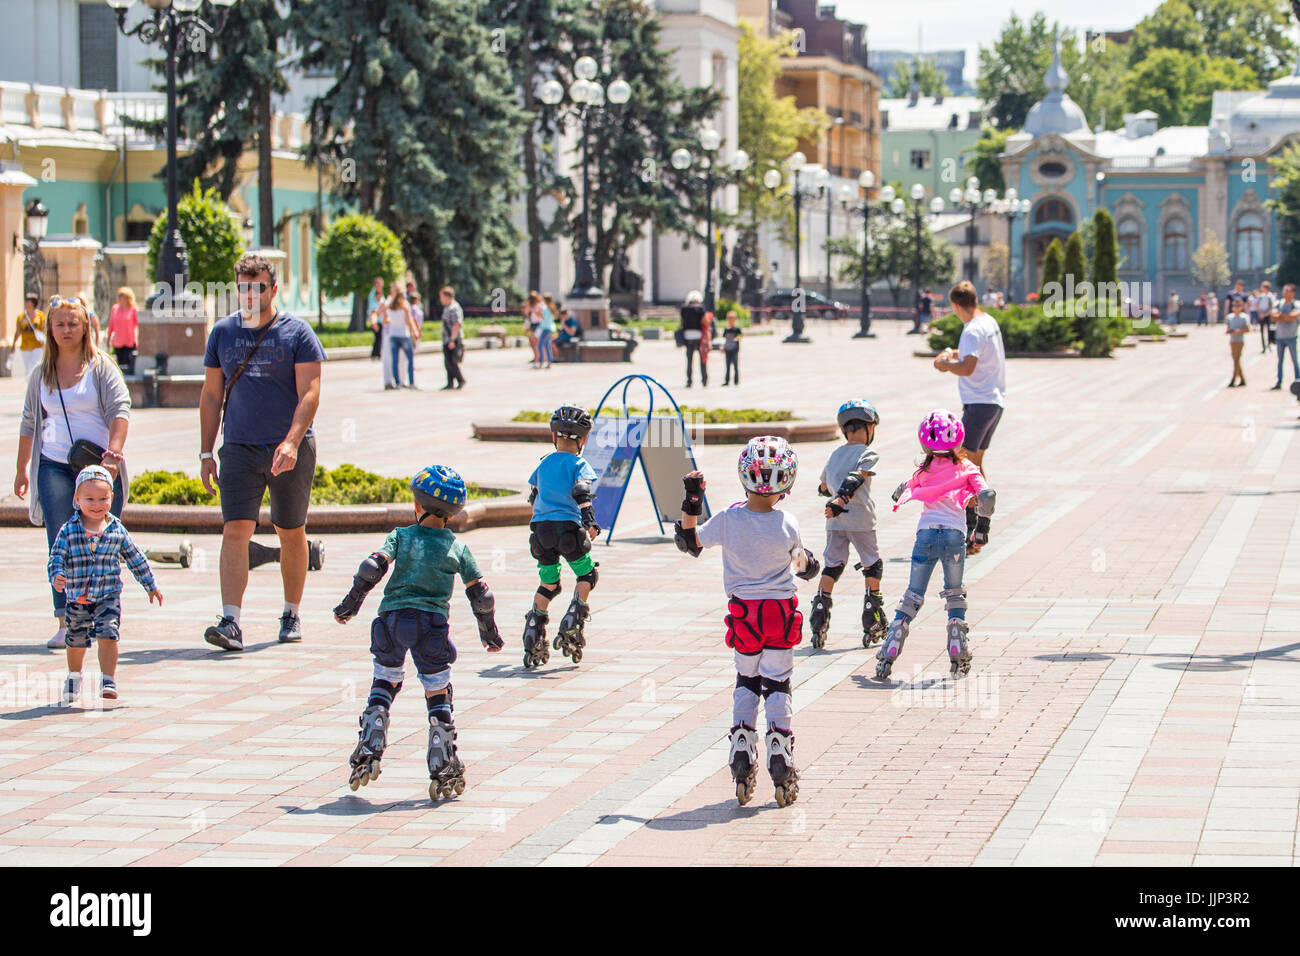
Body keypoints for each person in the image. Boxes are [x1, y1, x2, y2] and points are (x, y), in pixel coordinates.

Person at [333, 465, 503, 801]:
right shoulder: (457, 547)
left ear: (417, 506)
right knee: (437, 690)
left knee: (386, 679)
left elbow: (373, 566)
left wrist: (351, 604)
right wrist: (489, 633)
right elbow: (480, 593)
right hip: (431, 627)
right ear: (453, 515)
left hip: (392, 622)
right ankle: (441, 748)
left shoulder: (402, 536)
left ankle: (375, 726)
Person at [674, 436, 820, 807]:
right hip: (780, 616)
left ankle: (742, 748)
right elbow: (802, 565)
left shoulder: (726, 519)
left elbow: (690, 542)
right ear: (786, 482)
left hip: (744, 617)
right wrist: (811, 565)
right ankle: (780, 755)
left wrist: (693, 498)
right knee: (778, 685)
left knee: (747, 681)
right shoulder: (787, 521)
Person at [198, 253, 326, 651]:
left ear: (273, 289)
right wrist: (206, 452)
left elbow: (311, 391)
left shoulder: (297, 333)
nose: (250, 295)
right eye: (243, 288)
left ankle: (291, 613)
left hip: (289, 448)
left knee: (291, 531)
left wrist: (291, 441)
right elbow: (211, 394)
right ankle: (231, 621)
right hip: (238, 447)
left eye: (258, 287)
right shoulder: (222, 333)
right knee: (235, 529)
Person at [15, 296, 131, 650]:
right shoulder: (42, 372)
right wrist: (22, 469)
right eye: (60, 324)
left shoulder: (101, 366)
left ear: (85, 327)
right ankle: (66, 620)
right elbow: (29, 421)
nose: (66, 330)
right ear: (50, 328)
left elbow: (120, 410)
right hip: (52, 464)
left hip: (96, 468)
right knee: (60, 543)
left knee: (98, 542)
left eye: (73, 324)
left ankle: (98, 614)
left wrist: (113, 456)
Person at [877, 410, 996, 680]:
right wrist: (982, 529)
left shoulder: (923, 470)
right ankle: (958, 647)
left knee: (913, 594)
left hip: (926, 535)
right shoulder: (967, 468)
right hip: (954, 536)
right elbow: (986, 495)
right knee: (954, 593)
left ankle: (891, 645)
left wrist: (912, 487)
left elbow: (900, 491)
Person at [48, 464, 162, 704]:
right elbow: (56, 556)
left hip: (108, 594)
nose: (96, 504)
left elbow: (135, 557)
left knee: (109, 634)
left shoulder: (116, 530)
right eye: (89, 499)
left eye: (103, 498)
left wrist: (150, 584)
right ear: (76, 499)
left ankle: (108, 679)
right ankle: (74, 676)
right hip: (78, 596)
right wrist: (57, 575)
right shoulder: (68, 530)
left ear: (112, 498)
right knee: (75, 638)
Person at [521, 405, 602, 668]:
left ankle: (534, 624)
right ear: (584, 440)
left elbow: (534, 497)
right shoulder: (579, 463)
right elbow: (581, 490)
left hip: (541, 532)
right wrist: (589, 520)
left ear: (554, 437)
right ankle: (573, 618)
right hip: (568, 530)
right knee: (587, 575)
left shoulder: (544, 464)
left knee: (550, 584)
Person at [931, 280, 1005, 553]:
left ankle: (973, 530)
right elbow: (973, 355)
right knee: (974, 464)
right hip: (993, 402)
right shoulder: (987, 321)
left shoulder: (972, 329)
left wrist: (944, 364)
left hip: (978, 403)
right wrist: (953, 353)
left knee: (960, 464)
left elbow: (968, 367)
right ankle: (980, 530)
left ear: (954, 306)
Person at [808, 400, 886, 651]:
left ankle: (819, 614)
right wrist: (842, 497)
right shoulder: (868, 452)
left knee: (832, 566)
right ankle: (872, 616)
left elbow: (822, 487)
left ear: (844, 430)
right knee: (872, 565)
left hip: (835, 522)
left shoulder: (835, 454)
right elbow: (857, 477)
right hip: (860, 519)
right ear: (870, 427)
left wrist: (832, 495)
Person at [384, 289, 420, 389]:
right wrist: (415, 331)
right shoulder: (405, 308)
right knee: (410, 359)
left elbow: (385, 321)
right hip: (404, 335)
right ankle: (412, 382)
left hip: (393, 335)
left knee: (395, 361)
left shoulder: (389, 308)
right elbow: (409, 321)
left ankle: (397, 383)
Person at [1271, 283, 1299, 391]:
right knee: (1279, 361)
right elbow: (1273, 317)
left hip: (1292, 336)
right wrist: (1287, 317)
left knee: (1295, 361)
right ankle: (1279, 382)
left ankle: (1298, 381)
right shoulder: (1278, 303)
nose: (1285, 292)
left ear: (1293, 293)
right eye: (1284, 290)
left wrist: (1281, 316)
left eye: (1287, 290)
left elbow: (1294, 316)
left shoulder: (1296, 304)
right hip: (1280, 337)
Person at [11, 293, 46, 380]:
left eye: (28, 301)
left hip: (37, 346)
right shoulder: (21, 317)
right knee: (27, 368)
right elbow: (18, 331)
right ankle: (29, 385)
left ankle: (35, 382)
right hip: (25, 346)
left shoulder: (40, 315)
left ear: (33, 303)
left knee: (35, 365)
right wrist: (14, 344)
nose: (26, 303)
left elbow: (44, 329)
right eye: (26, 301)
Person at [105, 287, 139, 375]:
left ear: (127, 297)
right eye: (118, 295)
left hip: (129, 342)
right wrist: (108, 339)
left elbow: (139, 325)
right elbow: (111, 325)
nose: (118, 297)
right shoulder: (115, 308)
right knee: (119, 366)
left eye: (121, 295)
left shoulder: (133, 309)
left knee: (128, 367)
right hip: (118, 342)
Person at [440, 286, 466, 390]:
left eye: (441, 297)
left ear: (447, 296)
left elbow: (456, 324)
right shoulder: (447, 307)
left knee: (453, 362)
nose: (440, 299)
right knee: (447, 362)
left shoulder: (454, 308)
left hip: (453, 339)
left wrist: (452, 339)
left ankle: (461, 380)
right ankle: (450, 383)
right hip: (447, 339)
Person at [679, 290, 706, 387]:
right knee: (702, 359)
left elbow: (681, 322)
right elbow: (704, 322)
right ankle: (704, 379)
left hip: (687, 336)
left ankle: (689, 381)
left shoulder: (684, 308)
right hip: (698, 336)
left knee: (689, 360)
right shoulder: (700, 308)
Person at [1225, 296, 1249, 388]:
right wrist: (1230, 331)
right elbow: (1227, 329)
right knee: (1236, 360)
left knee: (1236, 359)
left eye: (1238, 306)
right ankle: (1242, 379)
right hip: (1232, 340)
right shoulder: (1229, 317)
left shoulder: (1244, 317)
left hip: (1240, 340)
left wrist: (1238, 331)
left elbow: (1247, 329)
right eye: (1235, 306)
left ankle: (1233, 379)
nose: (1236, 308)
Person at [536, 294, 557, 369]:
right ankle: (549, 362)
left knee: (539, 345)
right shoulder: (550, 309)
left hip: (546, 329)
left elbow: (542, 317)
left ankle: (541, 362)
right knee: (547, 345)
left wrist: (538, 310)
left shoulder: (546, 310)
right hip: (549, 329)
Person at [367, 277, 385, 362]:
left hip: (380, 319)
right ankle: (375, 354)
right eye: (379, 284)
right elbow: (374, 310)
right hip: (376, 320)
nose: (381, 286)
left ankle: (377, 354)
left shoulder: (379, 293)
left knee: (379, 338)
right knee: (378, 338)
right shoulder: (374, 294)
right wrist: (373, 322)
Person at [721, 310, 742, 386]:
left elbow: (741, 335)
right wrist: (723, 347)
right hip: (727, 349)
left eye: (732, 319)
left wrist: (737, 338)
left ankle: (736, 381)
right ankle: (727, 380)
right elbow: (725, 339)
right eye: (729, 319)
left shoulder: (736, 329)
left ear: (735, 319)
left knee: (736, 366)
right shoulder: (726, 329)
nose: (730, 320)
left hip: (735, 349)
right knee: (727, 366)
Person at [524, 291, 542, 368]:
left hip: (538, 324)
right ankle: (536, 357)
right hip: (533, 324)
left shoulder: (539, 305)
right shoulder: (530, 306)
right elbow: (526, 313)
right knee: (531, 342)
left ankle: (538, 359)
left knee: (535, 342)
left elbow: (540, 315)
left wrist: (534, 310)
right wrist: (528, 306)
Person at [1258, 281, 1275, 353]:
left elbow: (1271, 307)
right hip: (1261, 315)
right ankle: (1264, 347)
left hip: (1267, 316)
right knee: (1262, 332)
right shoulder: (1261, 296)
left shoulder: (1270, 296)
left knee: (1268, 331)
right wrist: (1260, 314)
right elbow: (1258, 305)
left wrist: (1265, 314)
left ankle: (1269, 345)